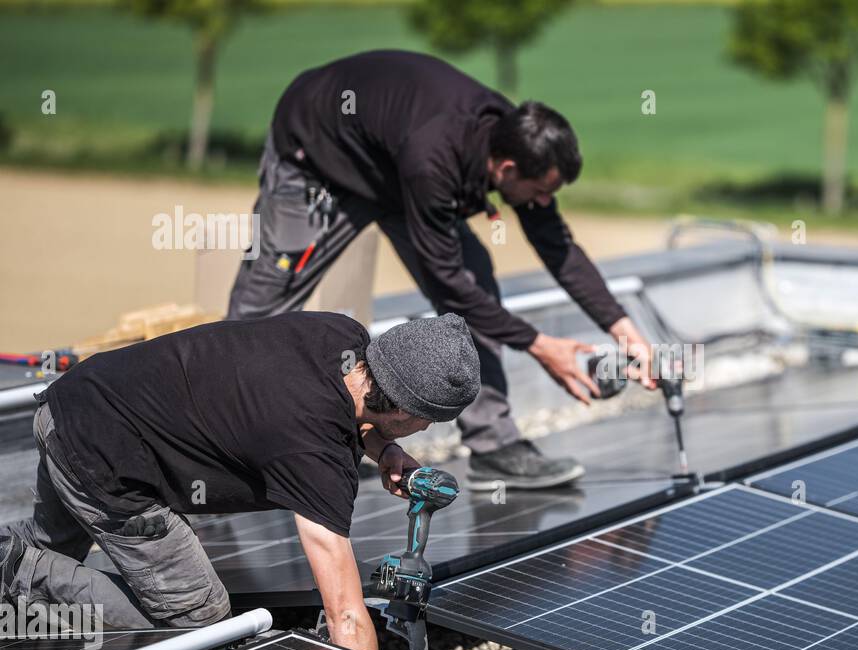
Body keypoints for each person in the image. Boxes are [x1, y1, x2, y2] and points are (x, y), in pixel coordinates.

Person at [226, 50, 657, 490]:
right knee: (264, 301)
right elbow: (449, 284)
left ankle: (495, 444)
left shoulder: (517, 139)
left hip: (395, 167)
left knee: (477, 281)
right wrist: (541, 345)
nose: (545, 202)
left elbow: (557, 246)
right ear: (507, 169)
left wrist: (622, 328)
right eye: (541, 192)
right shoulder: (435, 155)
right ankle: (228, 449)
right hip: (319, 153)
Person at [0, 312, 480, 650]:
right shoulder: (313, 454)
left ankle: (20, 563)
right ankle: (12, 566)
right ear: (403, 409)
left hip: (74, 405)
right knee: (201, 622)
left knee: (54, 550)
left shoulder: (342, 337)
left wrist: (385, 450)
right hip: (106, 460)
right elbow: (347, 617)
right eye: (428, 423)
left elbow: (348, 412)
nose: (427, 433)